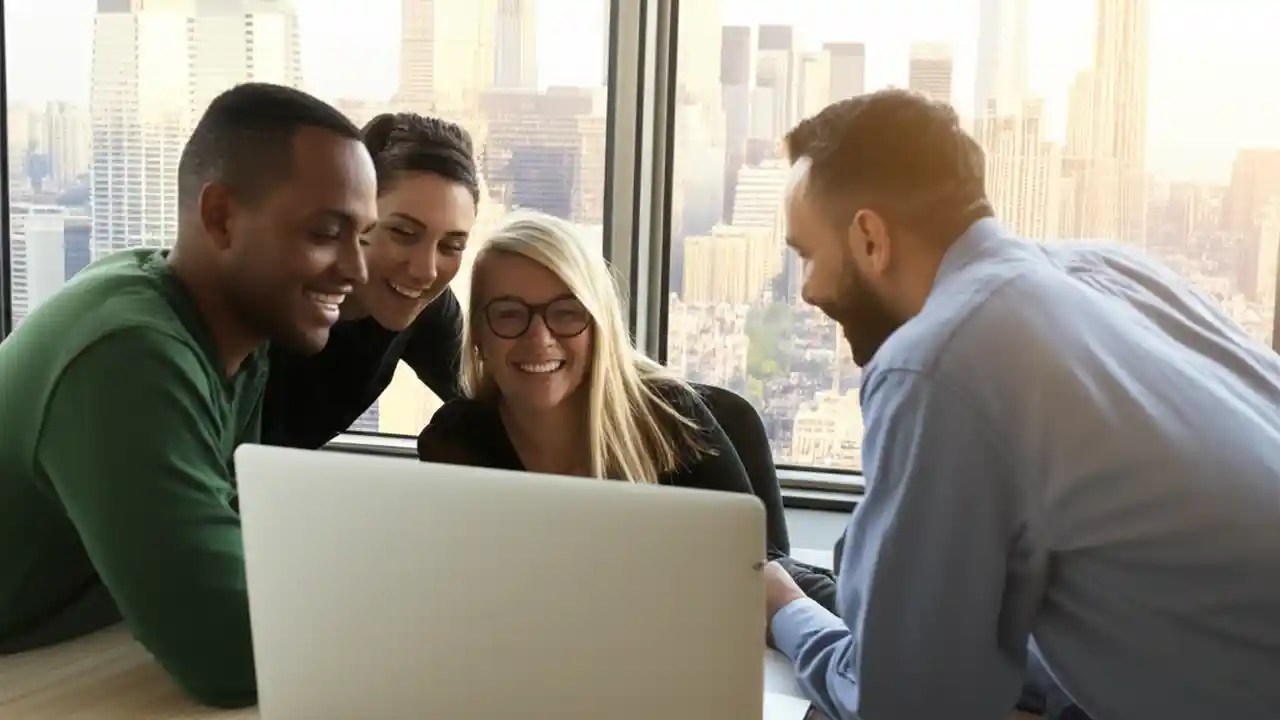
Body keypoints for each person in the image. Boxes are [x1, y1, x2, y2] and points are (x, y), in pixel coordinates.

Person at [762, 88, 1280, 719]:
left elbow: (899, 704)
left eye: (808, 256)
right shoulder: (1114, 274)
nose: (809, 289)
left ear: (870, 238)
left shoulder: (941, 361)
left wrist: (784, 610)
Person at [0, 83, 378, 708]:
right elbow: (227, 651)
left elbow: (238, 544)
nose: (356, 270)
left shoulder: (235, 336)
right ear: (221, 217)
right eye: (325, 232)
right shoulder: (129, 353)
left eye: (360, 237)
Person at [417, 211, 821, 579]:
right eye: (508, 314)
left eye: (567, 313)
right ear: (479, 338)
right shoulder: (459, 439)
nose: (539, 338)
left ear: (599, 327)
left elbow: (764, 576)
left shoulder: (670, 420)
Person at [262, 112, 479, 448]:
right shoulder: (262, 294)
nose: (427, 271)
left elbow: (487, 404)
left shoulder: (428, 308)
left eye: (451, 246)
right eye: (403, 233)